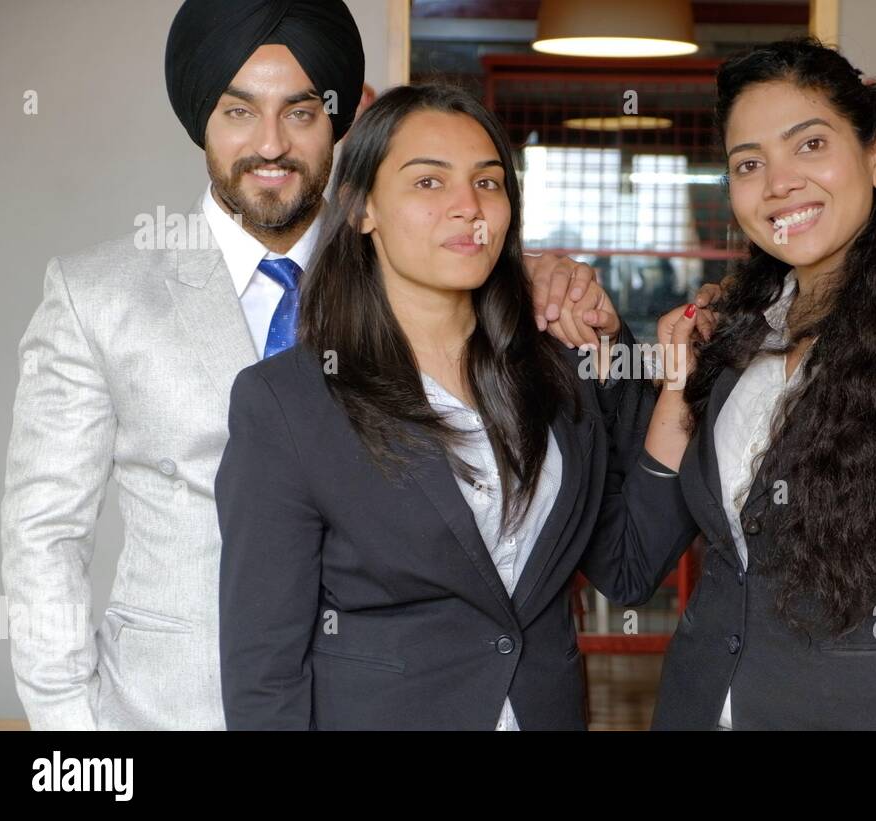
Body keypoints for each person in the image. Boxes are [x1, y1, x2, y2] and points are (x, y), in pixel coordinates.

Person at [0, 0, 589, 731]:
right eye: (240, 112)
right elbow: (44, 535)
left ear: (344, 122)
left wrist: (548, 277)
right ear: (201, 121)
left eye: (302, 113)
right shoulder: (99, 297)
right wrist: (73, 734)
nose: (271, 144)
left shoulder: (422, 279)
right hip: (172, 712)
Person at [582, 37, 876, 730]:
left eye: (809, 145)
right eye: (749, 163)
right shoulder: (736, 338)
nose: (779, 183)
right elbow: (629, 567)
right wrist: (678, 387)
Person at [215, 82, 692, 730]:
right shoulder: (289, 401)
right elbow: (264, 672)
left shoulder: (554, 368)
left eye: (488, 183)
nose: (469, 207)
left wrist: (669, 383)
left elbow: (631, 564)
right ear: (363, 210)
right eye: (429, 183)